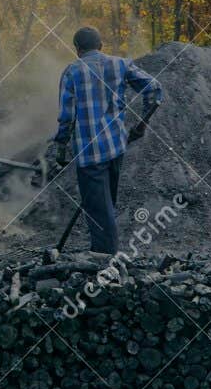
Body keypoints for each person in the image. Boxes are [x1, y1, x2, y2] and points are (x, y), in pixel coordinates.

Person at [50, 26, 163, 254]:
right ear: (101, 46)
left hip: (89, 153)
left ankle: (105, 257)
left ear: (78, 49)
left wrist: (60, 149)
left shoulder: (72, 71)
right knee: (106, 204)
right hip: (115, 147)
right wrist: (142, 125)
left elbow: (67, 117)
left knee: (98, 209)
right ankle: (104, 251)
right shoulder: (121, 64)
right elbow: (154, 89)